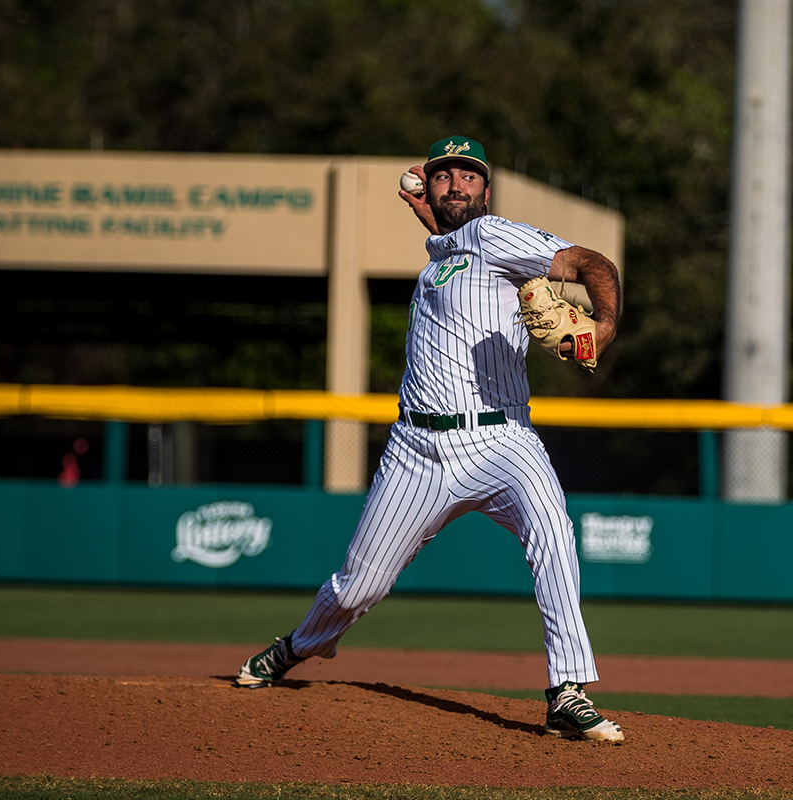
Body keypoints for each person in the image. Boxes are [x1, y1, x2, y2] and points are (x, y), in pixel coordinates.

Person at [235, 135, 624, 742]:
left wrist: (603, 325)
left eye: (470, 175)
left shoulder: (494, 235)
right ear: (429, 186)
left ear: (487, 191)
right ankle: (296, 647)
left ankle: (567, 691)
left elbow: (591, 263)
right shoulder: (442, 253)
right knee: (358, 587)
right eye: (445, 175)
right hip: (416, 452)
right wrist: (436, 227)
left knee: (552, 532)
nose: (456, 184)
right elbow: (454, 248)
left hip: (502, 440)